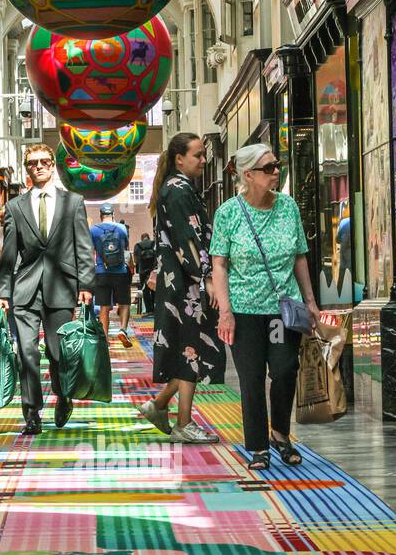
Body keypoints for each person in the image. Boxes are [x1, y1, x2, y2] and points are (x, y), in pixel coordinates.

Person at [210, 142, 321, 473]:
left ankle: (280, 433)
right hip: (244, 310)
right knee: (252, 377)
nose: (277, 172)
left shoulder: (288, 208)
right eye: (269, 167)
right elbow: (220, 265)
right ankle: (258, 446)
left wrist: (311, 300)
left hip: (283, 307)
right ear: (248, 175)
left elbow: (299, 255)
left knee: (286, 369)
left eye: (277, 165)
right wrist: (225, 311)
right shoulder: (228, 213)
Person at [0, 143, 95, 434]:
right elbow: (9, 254)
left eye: (43, 162)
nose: (37, 167)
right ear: (27, 170)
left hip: (61, 287)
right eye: (31, 163)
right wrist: (2, 292)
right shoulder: (15, 207)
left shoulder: (72, 202)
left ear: (52, 165)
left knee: (57, 352)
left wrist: (85, 284)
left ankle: (63, 397)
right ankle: (32, 412)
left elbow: (83, 247)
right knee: (26, 352)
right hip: (25, 289)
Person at [136, 133, 225, 444]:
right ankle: (183, 422)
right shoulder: (178, 191)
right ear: (179, 159)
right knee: (190, 349)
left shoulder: (177, 188)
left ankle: (159, 405)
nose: (203, 160)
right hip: (187, 283)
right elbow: (189, 239)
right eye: (198, 155)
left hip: (181, 280)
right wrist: (207, 276)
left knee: (189, 348)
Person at [89, 203, 131, 344]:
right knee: (124, 303)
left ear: (101, 216)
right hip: (120, 272)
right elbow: (125, 248)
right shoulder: (121, 228)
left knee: (104, 307)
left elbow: (91, 253)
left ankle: (104, 338)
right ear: (113, 215)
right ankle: (123, 329)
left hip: (102, 272)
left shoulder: (93, 230)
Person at [133, 231, 157, 313]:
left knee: (145, 289)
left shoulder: (137, 245)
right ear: (148, 237)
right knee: (154, 287)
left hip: (142, 270)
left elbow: (135, 260)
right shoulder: (153, 243)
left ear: (141, 238)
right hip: (153, 269)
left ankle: (148, 310)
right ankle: (155, 308)